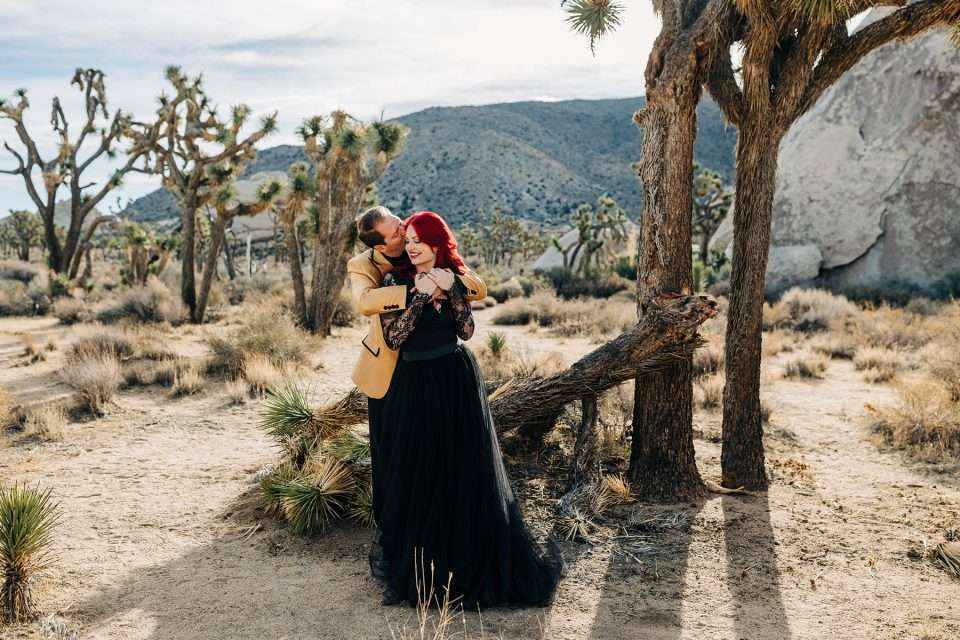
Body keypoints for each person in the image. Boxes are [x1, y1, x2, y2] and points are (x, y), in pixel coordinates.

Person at [375, 211, 562, 609]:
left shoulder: (453, 277)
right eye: (407, 239)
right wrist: (422, 295)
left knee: (462, 468)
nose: (410, 246)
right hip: (416, 383)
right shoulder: (394, 282)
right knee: (422, 470)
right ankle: (425, 571)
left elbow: (466, 331)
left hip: (456, 380)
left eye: (418, 240)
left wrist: (451, 291)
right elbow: (394, 338)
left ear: (437, 245)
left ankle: (468, 563)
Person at [347, 206, 487, 581]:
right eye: (399, 235)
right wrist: (415, 291)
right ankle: (403, 539)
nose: (405, 237)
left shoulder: (435, 260)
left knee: (454, 461)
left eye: (409, 232)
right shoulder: (372, 269)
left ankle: (459, 541)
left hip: (451, 376)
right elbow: (365, 304)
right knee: (398, 458)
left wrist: (449, 283)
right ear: (385, 241)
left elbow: (473, 300)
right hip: (397, 373)